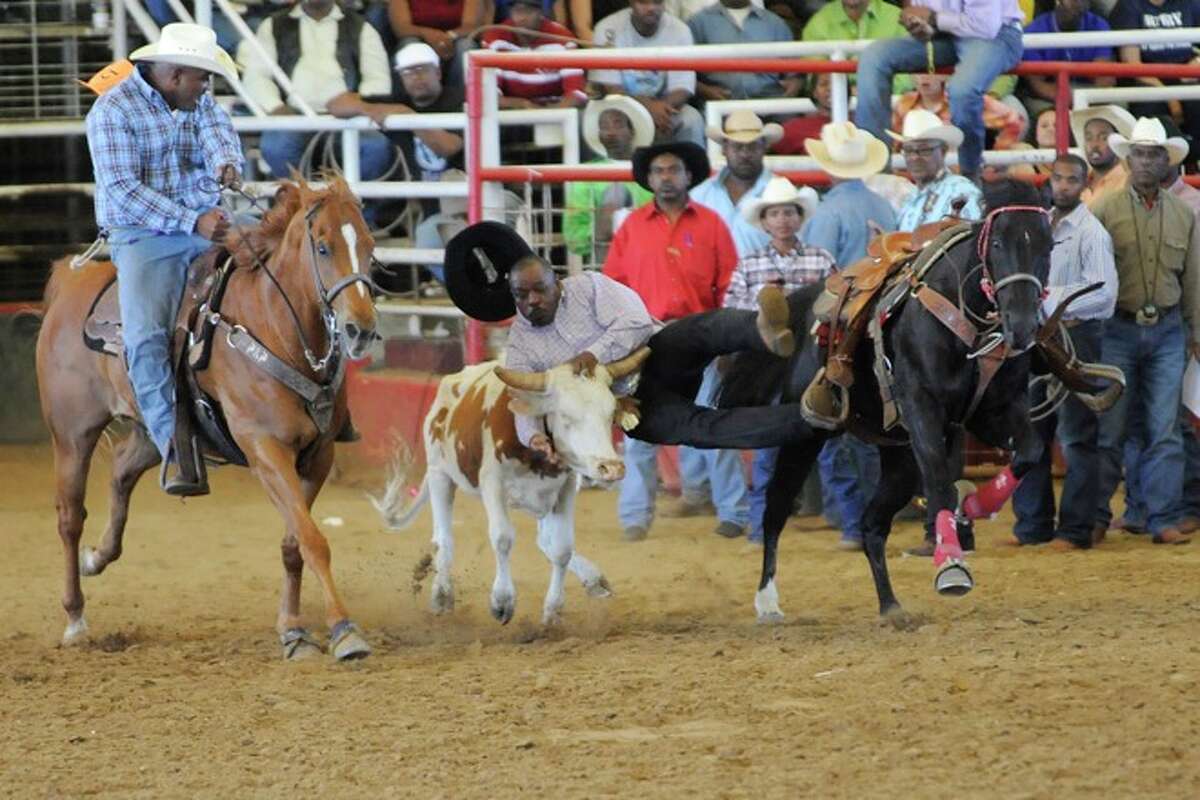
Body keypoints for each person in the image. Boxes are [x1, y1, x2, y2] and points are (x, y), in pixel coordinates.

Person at [85, 23, 244, 495]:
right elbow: (124, 192)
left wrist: (226, 163)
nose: (206, 88)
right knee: (146, 337)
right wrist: (191, 222)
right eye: (202, 79)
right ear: (175, 75)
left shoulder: (193, 101)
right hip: (142, 235)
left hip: (204, 219)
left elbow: (217, 131)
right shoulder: (111, 111)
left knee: (273, 268)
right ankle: (172, 442)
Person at [602, 141, 743, 541]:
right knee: (637, 428)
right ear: (648, 179)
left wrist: (726, 341)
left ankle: (732, 511)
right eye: (659, 171)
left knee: (713, 423)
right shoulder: (631, 227)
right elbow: (613, 287)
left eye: (673, 170)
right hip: (645, 337)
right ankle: (634, 517)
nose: (666, 177)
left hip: (701, 334)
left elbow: (729, 285)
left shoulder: (712, 224)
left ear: (688, 176)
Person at [1090, 117, 1200, 546]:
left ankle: (1161, 516)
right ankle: (1102, 514)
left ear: (1165, 161)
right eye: (1140, 153)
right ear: (1129, 158)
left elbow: (1192, 277)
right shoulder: (1104, 208)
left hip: (1168, 327)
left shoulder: (1183, 213)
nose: (1146, 161)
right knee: (1113, 427)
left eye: (1155, 154)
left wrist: (1195, 331)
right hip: (1117, 325)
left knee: (1163, 427)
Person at [796, 122, 896, 549]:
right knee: (875, 419)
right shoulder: (884, 206)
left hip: (841, 323)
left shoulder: (827, 212)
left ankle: (850, 516)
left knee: (833, 415)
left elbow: (823, 275)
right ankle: (876, 511)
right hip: (885, 316)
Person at [1009, 154, 1117, 551]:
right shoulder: (1039, 225)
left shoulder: (1091, 231)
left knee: (1076, 435)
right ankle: (1033, 525)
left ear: (1084, 183)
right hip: (1042, 335)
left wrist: (1047, 300)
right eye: (1058, 179)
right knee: (1030, 430)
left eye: (1072, 180)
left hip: (1075, 335)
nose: (1064, 187)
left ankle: (1074, 528)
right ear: (1049, 181)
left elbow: (1105, 294)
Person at [240, 0, 395, 219]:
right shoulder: (274, 25)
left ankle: (357, 220)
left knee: (375, 147)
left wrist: (354, 103)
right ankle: (301, 216)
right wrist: (275, 107)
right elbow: (256, 75)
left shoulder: (360, 26)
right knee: (276, 146)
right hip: (294, 117)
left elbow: (378, 80)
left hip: (345, 120)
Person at [330, 42, 465, 282]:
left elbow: (449, 147)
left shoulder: (458, 97)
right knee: (428, 241)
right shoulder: (399, 103)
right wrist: (373, 108)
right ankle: (471, 301)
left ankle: (476, 302)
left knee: (435, 240)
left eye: (423, 70)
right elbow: (337, 104)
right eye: (408, 72)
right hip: (433, 213)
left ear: (438, 72)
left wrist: (408, 117)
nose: (417, 78)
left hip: (469, 204)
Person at [854, 0, 1024, 183]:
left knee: (962, 90)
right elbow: (927, 14)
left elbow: (985, 26)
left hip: (995, 35)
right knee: (874, 57)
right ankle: (875, 173)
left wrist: (934, 18)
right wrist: (918, 22)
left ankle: (971, 177)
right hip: (942, 35)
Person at [589, 0, 706, 147]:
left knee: (691, 119)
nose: (651, 8)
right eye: (643, 2)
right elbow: (611, 88)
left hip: (665, 108)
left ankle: (692, 169)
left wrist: (660, 110)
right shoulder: (607, 28)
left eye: (657, 2)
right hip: (618, 108)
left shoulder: (680, 30)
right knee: (599, 121)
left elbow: (683, 87)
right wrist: (648, 108)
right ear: (631, 2)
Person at [565, 95, 655, 262]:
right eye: (604, 126)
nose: (611, 132)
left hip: (648, 254)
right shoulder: (585, 174)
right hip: (603, 257)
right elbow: (574, 237)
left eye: (618, 124)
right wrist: (603, 226)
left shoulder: (652, 171)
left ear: (632, 131)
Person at [1111, 0, 1200, 163]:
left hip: (1185, 77)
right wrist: (1171, 98)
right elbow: (1133, 64)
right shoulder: (1129, 6)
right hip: (1147, 80)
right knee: (1151, 109)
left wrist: (1198, 61)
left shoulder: (1190, 3)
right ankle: (1156, 171)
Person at [480, 0, 589, 109]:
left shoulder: (563, 39)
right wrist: (523, 105)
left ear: (541, 12)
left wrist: (548, 113)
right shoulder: (494, 38)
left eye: (528, 11)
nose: (522, 17)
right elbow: (488, 96)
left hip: (556, 115)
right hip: (510, 115)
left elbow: (577, 95)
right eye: (517, 11)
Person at [686, 0, 801, 101]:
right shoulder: (697, 23)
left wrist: (794, 83)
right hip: (719, 104)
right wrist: (705, 90)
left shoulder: (776, 24)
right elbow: (684, 76)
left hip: (771, 102)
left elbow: (794, 73)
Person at [889, 110, 983, 231]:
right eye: (908, 150)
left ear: (943, 151)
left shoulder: (962, 191)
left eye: (924, 150)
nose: (915, 157)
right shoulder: (911, 198)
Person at [1019, 0, 1115, 118]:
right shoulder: (1033, 31)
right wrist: (1074, 102)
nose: (1079, 2)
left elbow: (1104, 81)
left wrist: (1083, 101)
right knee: (1049, 117)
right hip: (1048, 98)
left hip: (1087, 92)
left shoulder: (1099, 25)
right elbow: (1038, 85)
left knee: (1117, 106)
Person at [891, 73, 1025, 153]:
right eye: (918, 72)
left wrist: (995, 158)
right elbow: (896, 145)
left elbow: (1013, 120)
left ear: (945, 74)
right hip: (916, 170)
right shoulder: (904, 103)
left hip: (959, 172)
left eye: (932, 71)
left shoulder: (966, 101)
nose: (924, 78)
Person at [801, 0, 913, 94]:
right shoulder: (818, 24)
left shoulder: (898, 19)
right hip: (834, 110)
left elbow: (908, 78)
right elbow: (817, 84)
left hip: (889, 108)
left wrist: (862, 92)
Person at [386, 0, 485, 87]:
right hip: (419, 38)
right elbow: (401, 28)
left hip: (455, 38)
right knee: (410, 44)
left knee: (466, 46)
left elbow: (471, 26)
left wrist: (448, 37)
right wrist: (428, 34)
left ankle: (461, 99)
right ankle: (410, 102)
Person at [1070, 105, 1136, 207]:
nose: (1094, 144)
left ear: (1119, 142)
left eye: (1103, 138)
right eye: (1088, 138)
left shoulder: (1130, 181)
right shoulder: (1078, 181)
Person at [772, 73, 833, 156]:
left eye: (839, 85)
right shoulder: (794, 128)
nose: (831, 88)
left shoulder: (856, 123)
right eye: (824, 84)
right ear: (814, 92)